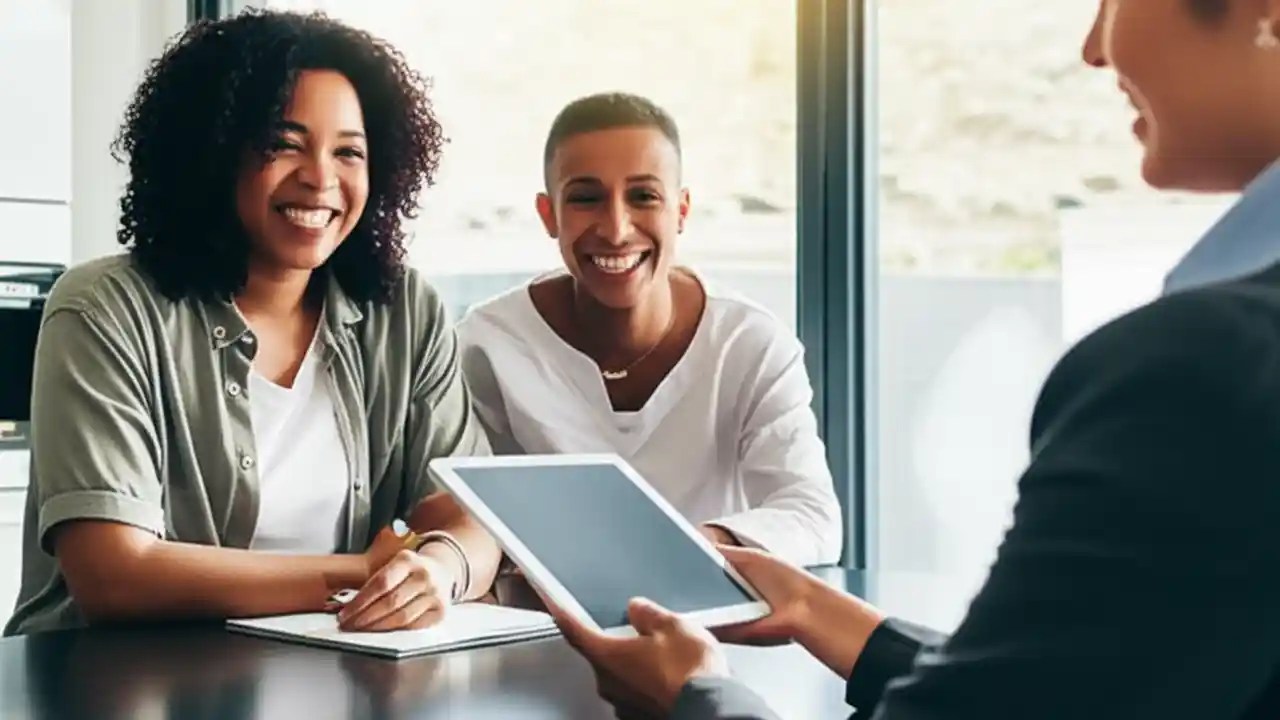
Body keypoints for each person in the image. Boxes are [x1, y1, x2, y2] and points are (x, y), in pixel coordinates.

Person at [550, 1, 1280, 717]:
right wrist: (823, 614)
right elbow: (1073, 686)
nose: (1095, 46)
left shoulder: (1197, 372)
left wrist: (698, 695)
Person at [4, 9, 502, 636]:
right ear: (212, 152)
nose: (322, 178)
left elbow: (472, 518)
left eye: (349, 151)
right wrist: (361, 572)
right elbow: (112, 573)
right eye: (283, 144)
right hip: (116, 681)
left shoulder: (405, 310)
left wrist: (438, 571)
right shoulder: (104, 308)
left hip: (333, 678)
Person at [456, 93, 842, 567]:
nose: (616, 229)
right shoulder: (487, 345)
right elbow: (464, 517)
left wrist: (687, 549)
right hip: (538, 624)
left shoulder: (750, 344)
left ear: (680, 211)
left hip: (713, 627)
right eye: (585, 198)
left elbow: (812, 516)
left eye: (643, 196)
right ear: (548, 215)